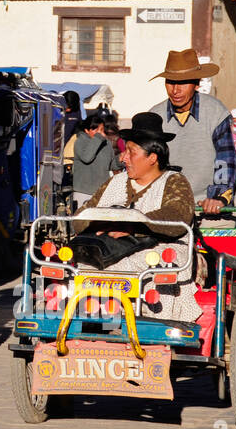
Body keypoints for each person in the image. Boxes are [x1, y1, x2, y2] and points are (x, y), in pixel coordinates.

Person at [73, 112, 202, 325]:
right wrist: (100, 222)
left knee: (146, 266)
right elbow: (82, 216)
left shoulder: (174, 182)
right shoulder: (114, 182)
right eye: (124, 151)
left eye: (131, 152)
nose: (123, 158)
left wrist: (133, 225)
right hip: (113, 249)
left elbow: (177, 214)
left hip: (163, 247)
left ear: (152, 157)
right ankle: (90, 322)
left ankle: (153, 325)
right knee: (81, 266)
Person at [148, 49, 236, 215]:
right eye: (170, 82)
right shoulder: (155, 116)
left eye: (182, 83)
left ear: (196, 84)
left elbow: (225, 160)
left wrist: (219, 197)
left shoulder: (215, 112)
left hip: (208, 206)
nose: (175, 90)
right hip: (166, 206)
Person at [71, 114, 121, 207]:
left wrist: (120, 160)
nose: (99, 133)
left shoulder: (106, 143)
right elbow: (87, 158)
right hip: (84, 192)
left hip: (102, 191)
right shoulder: (81, 141)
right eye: (95, 129)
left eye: (101, 130)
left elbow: (111, 165)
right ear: (86, 130)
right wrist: (98, 138)